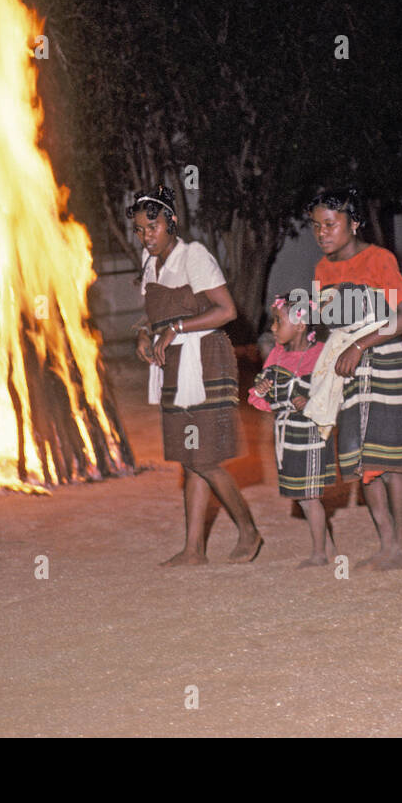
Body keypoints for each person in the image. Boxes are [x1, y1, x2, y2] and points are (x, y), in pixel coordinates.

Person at [131, 185, 262, 566]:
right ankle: (193, 550)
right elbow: (151, 314)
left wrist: (177, 330)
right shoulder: (149, 262)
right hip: (173, 364)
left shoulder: (194, 256)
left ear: (172, 222)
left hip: (205, 361)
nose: (146, 236)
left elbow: (226, 311)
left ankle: (249, 530)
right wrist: (144, 333)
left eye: (152, 226)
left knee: (203, 457)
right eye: (140, 229)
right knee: (188, 457)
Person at [305, 187, 402, 570]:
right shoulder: (322, 270)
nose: (323, 233)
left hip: (386, 365)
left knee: (390, 460)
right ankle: (386, 545)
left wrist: (361, 344)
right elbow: (330, 327)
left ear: (354, 223)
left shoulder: (378, 259)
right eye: (317, 226)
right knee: (364, 463)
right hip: (348, 372)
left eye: (331, 225)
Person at [249, 293, 337, 567]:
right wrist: (263, 389)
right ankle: (329, 548)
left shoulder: (322, 353)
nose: (273, 328)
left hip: (311, 434)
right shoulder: (276, 355)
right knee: (301, 495)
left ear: (300, 325)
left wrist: (311, 401)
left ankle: (320, 554)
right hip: (285, 437)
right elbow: (259, 393)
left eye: (278, 321)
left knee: (309, 496)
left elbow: (335, 390)